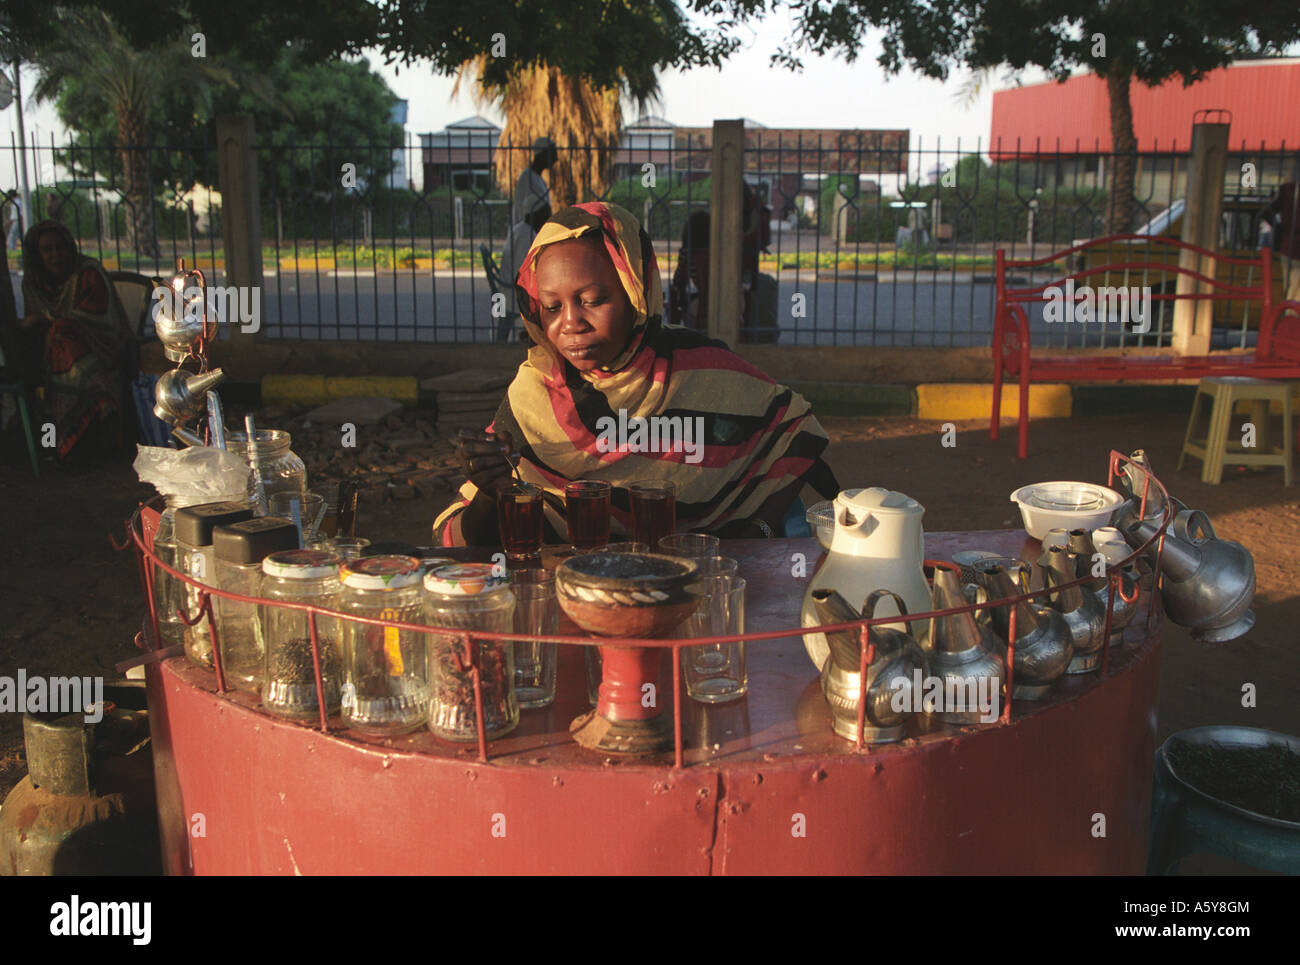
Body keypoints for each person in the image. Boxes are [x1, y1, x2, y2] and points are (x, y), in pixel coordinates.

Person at [435, 201, 837, 547]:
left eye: (592, 300)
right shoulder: (534, 396)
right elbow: (466, 540)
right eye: (552, 307)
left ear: (636, 292)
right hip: (572, 598)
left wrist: (760, 527)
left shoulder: (703, 371)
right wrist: (492, 493)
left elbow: (795, 435)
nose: (571, 323)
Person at [13, 220, 132, 466]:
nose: (56, 255)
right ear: (37, 254)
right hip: (53, 359)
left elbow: (99, 318)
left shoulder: (88, 273)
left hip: (99, 350)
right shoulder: (33, 283)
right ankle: (50, 449)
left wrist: (47, 319)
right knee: (42, 385)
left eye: (61, 247)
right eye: (48, 250)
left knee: (62, 332)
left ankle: (83, 450)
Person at [496, 196, 552, 342]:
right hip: (512, 292)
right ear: (535, 214)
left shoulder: (521, 229)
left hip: (506, 289)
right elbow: (525, 272)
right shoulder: (526, 236)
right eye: (545, 214)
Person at [1261, 156, 1300, 303]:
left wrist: (1280, 229)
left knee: (1290, 287)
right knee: (1297, 293)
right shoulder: (1288, 190)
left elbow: (1266, 212)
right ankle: (1293, 321)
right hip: (1293, 246)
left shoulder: (1286, 190)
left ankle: (1290, 317)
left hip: (1287, 245)